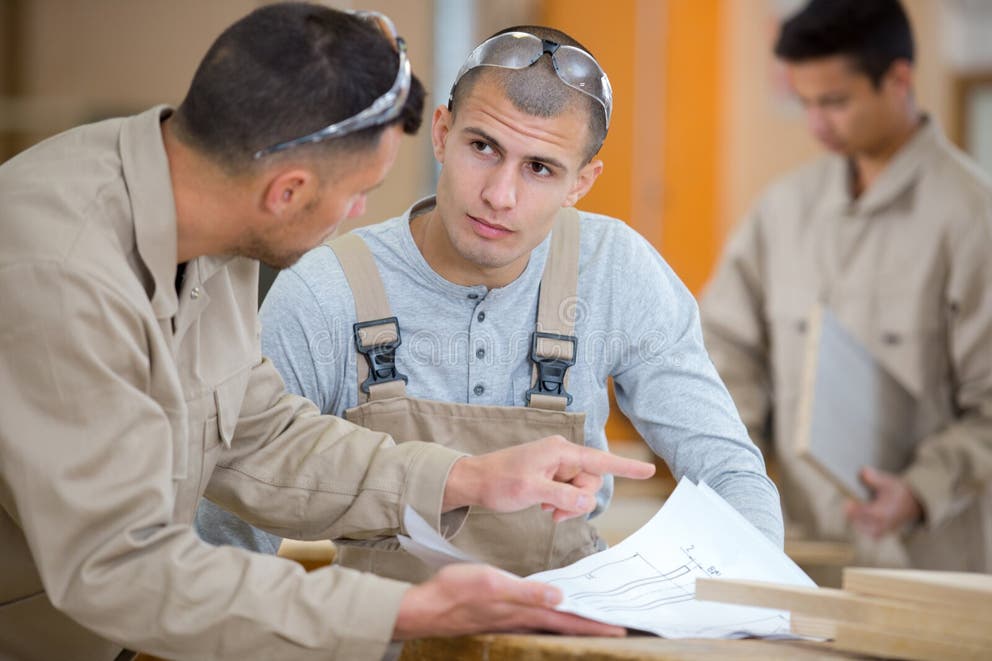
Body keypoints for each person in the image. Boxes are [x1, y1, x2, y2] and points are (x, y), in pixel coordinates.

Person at [0, 5, 659, 660]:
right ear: (286, 192)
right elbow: (117, 567)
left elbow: (260, 433)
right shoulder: (60, 273)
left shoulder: (210, 216)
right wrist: (406, 608)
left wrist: (463, 477)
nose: (361, 215)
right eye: (358, 193)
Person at [196, 23, 785, 582]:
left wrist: (760, 606)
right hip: (383, 638)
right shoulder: (326, 290)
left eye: (540, 168)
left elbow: (726, 471)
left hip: (560, 638)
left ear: (581, 182)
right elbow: (236, 509)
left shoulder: (616, 271)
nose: (499, 195)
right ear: (443, 133)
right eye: (483, 147)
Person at [700, 0, 992, 572]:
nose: (816, 125)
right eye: (804, 102)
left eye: (834, 101)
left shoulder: (971, 218)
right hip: (797, 552)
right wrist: (736, 465)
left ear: (898, 79)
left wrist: (920, 490)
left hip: (927, 568)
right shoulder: (783, 210)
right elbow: (722, 348)